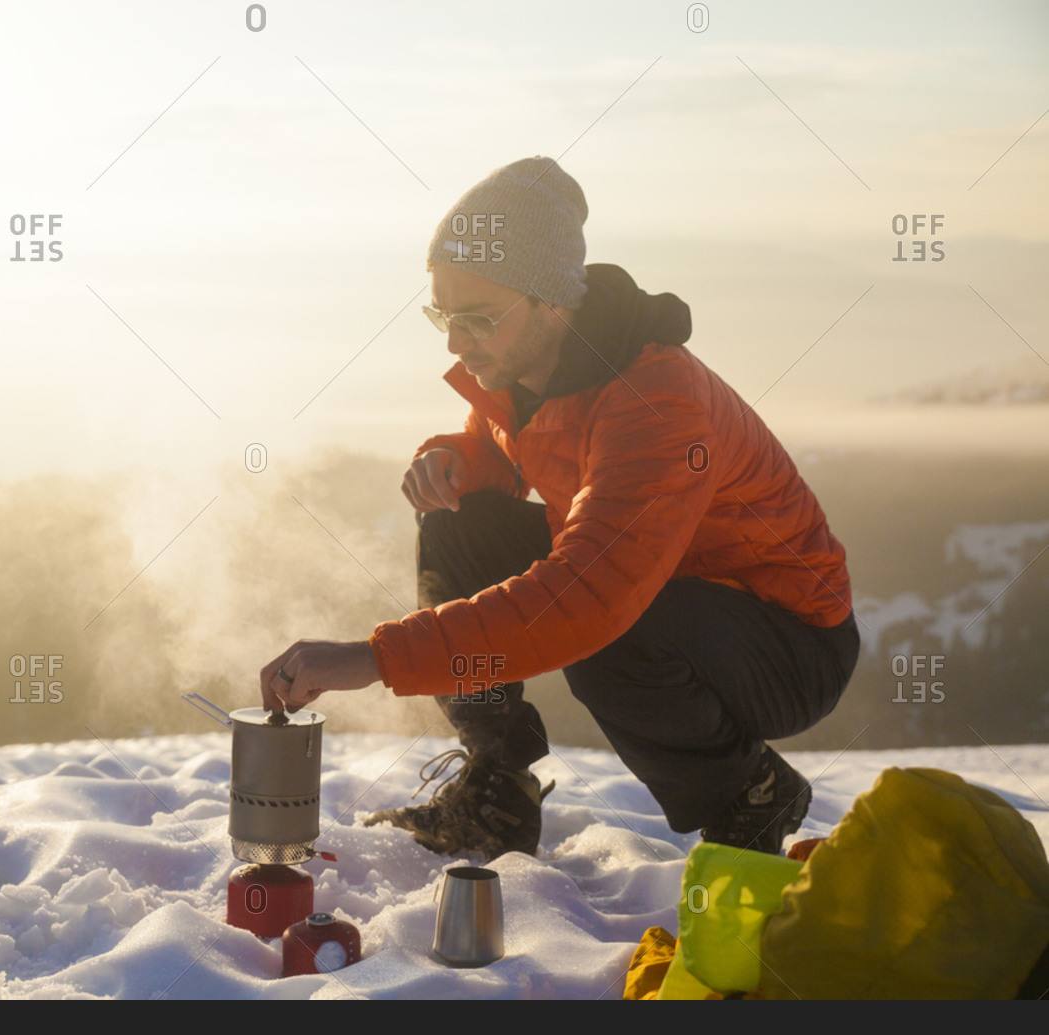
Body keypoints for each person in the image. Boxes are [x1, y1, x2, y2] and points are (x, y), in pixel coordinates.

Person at [259, 156, 859, 860]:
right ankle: (498, 789)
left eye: (476, 317)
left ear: (551, 303)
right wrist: (461, 460)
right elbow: (511, 444)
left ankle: (748, 792)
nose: (454, 342)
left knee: (612, 630)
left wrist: (373, 658)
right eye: (441, 315)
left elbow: (588, 596)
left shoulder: (656, 402)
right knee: (461, 524)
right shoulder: (538, 370)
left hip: (787, 645)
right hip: (673, 593)